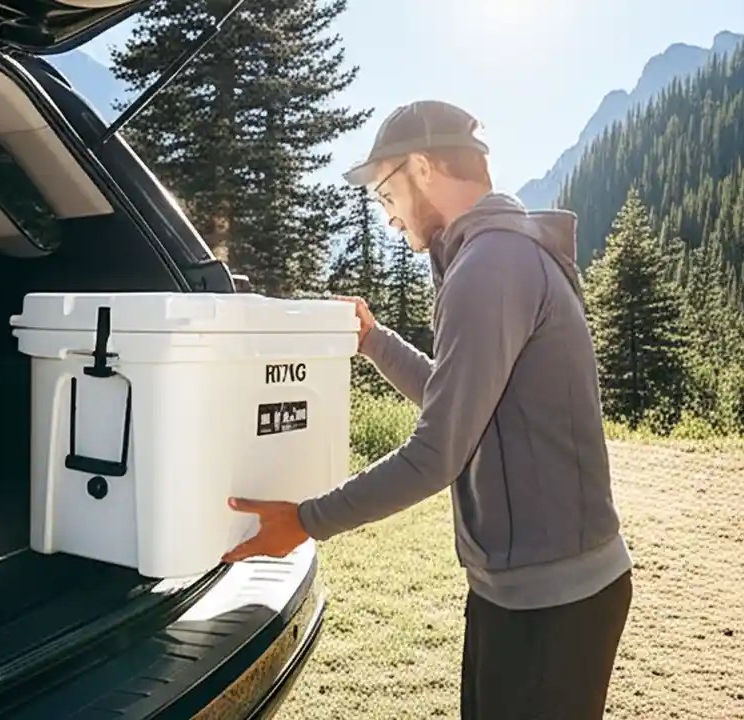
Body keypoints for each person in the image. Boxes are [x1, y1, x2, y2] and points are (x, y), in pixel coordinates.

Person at [222, 99, 633, 719]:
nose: (387, 218)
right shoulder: (493, 256)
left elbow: (437, 451)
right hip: (526, 589)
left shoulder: (492, 264)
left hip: (554, 599)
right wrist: (373, 340)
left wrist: (305, 520)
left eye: (386, 193)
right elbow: (459, 400)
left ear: (421, 167)